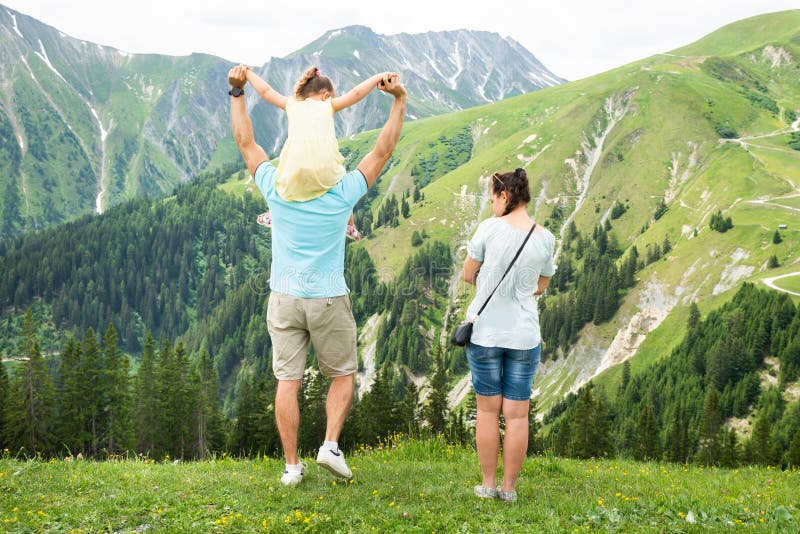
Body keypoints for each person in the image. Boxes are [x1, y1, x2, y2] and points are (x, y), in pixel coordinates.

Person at [228, 64, 406, 487]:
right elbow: (381, 151)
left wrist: (237, 93)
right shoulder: (340, 193)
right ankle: (329, 445)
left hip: (284, 297)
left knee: (287, 382)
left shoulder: (276, 188)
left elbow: (246, 142)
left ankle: (292, 467)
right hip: (327, 297)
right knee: (342, 375)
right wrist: (398, 101)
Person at [460, 168, 556, 503]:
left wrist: (489, 280)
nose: (491, 205)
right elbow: (541, 285)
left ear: (505, 196)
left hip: (486, 333)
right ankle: (509, 489)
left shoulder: (489, 229)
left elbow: (467, 274)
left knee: (488, 412)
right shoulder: (545, 238)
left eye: (493, 199)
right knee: (517, 415)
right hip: (524, 336)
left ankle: (488, 485)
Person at [247, 66, 394, 240]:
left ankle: (274, 212)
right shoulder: (328, 105)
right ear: (326, 96)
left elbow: (266, 91)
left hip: (293, 173)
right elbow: (356, 93)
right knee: (343, 182)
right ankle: (349, 225)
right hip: (325, 174)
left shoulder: (291, 104)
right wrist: (378, 77)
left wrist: (247, 73)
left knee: (281, 178)